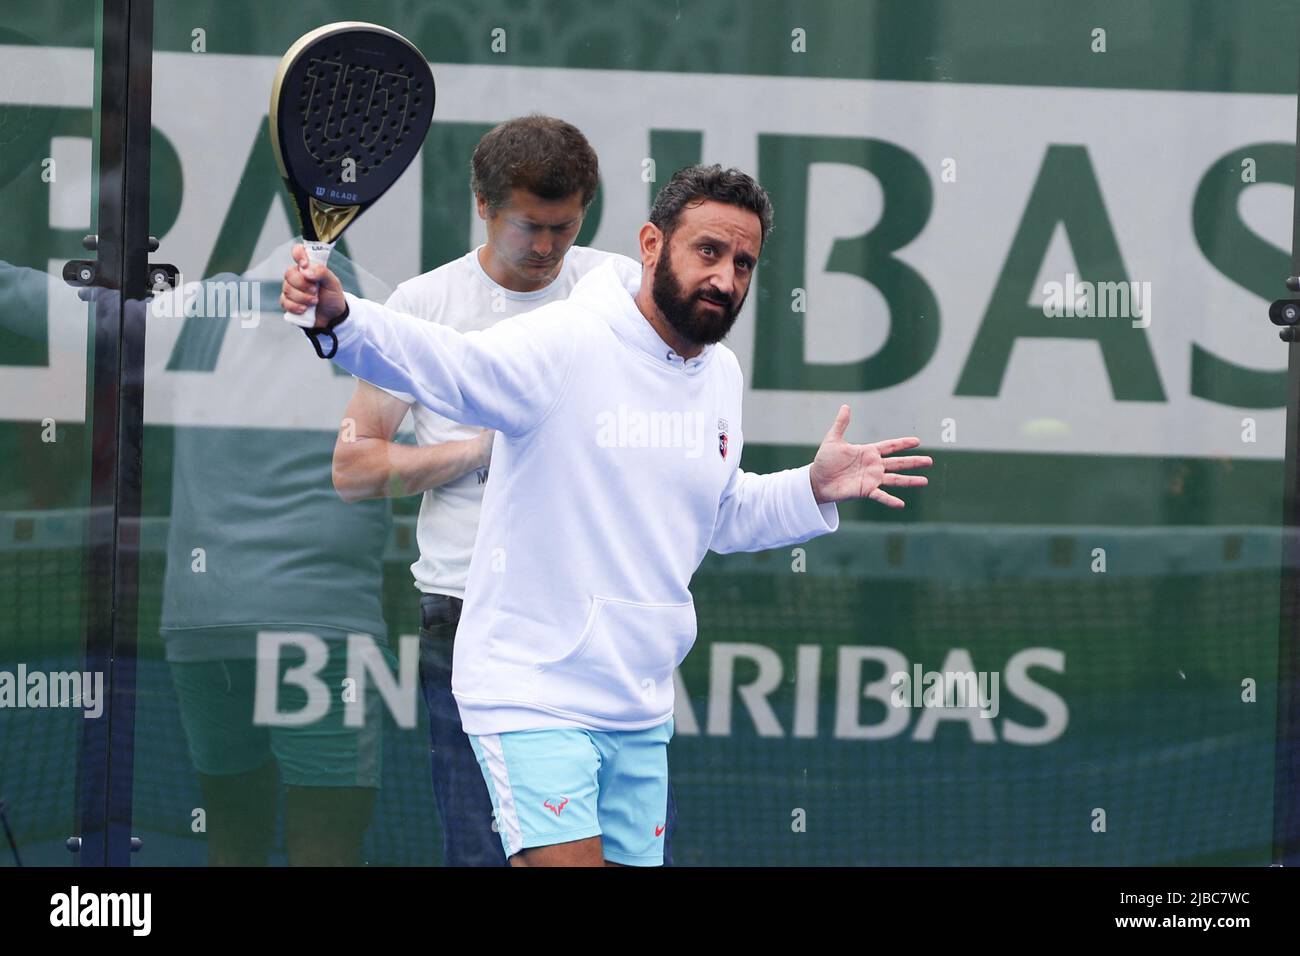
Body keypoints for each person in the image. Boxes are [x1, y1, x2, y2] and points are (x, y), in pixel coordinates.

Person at [281, 164, 933, 866]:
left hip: (640, 705)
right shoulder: (567, 341)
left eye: (744, 262)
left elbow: (718, 513)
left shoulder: (720, 376)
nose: (726, 279)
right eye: (708, 251)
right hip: (533, 693)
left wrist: (811, 488)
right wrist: (344, 320)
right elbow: (452, 365)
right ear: (652, 244)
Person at [330, 115, 675, 866]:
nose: (548, 248)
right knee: (484, 849)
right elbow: (354, 468)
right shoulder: (422, 306)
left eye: (565, 226)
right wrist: (486, 448)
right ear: (482, 206)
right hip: (468, 615)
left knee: (610, 852)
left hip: (598, 616)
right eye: (530, 226)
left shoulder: (617, 289)